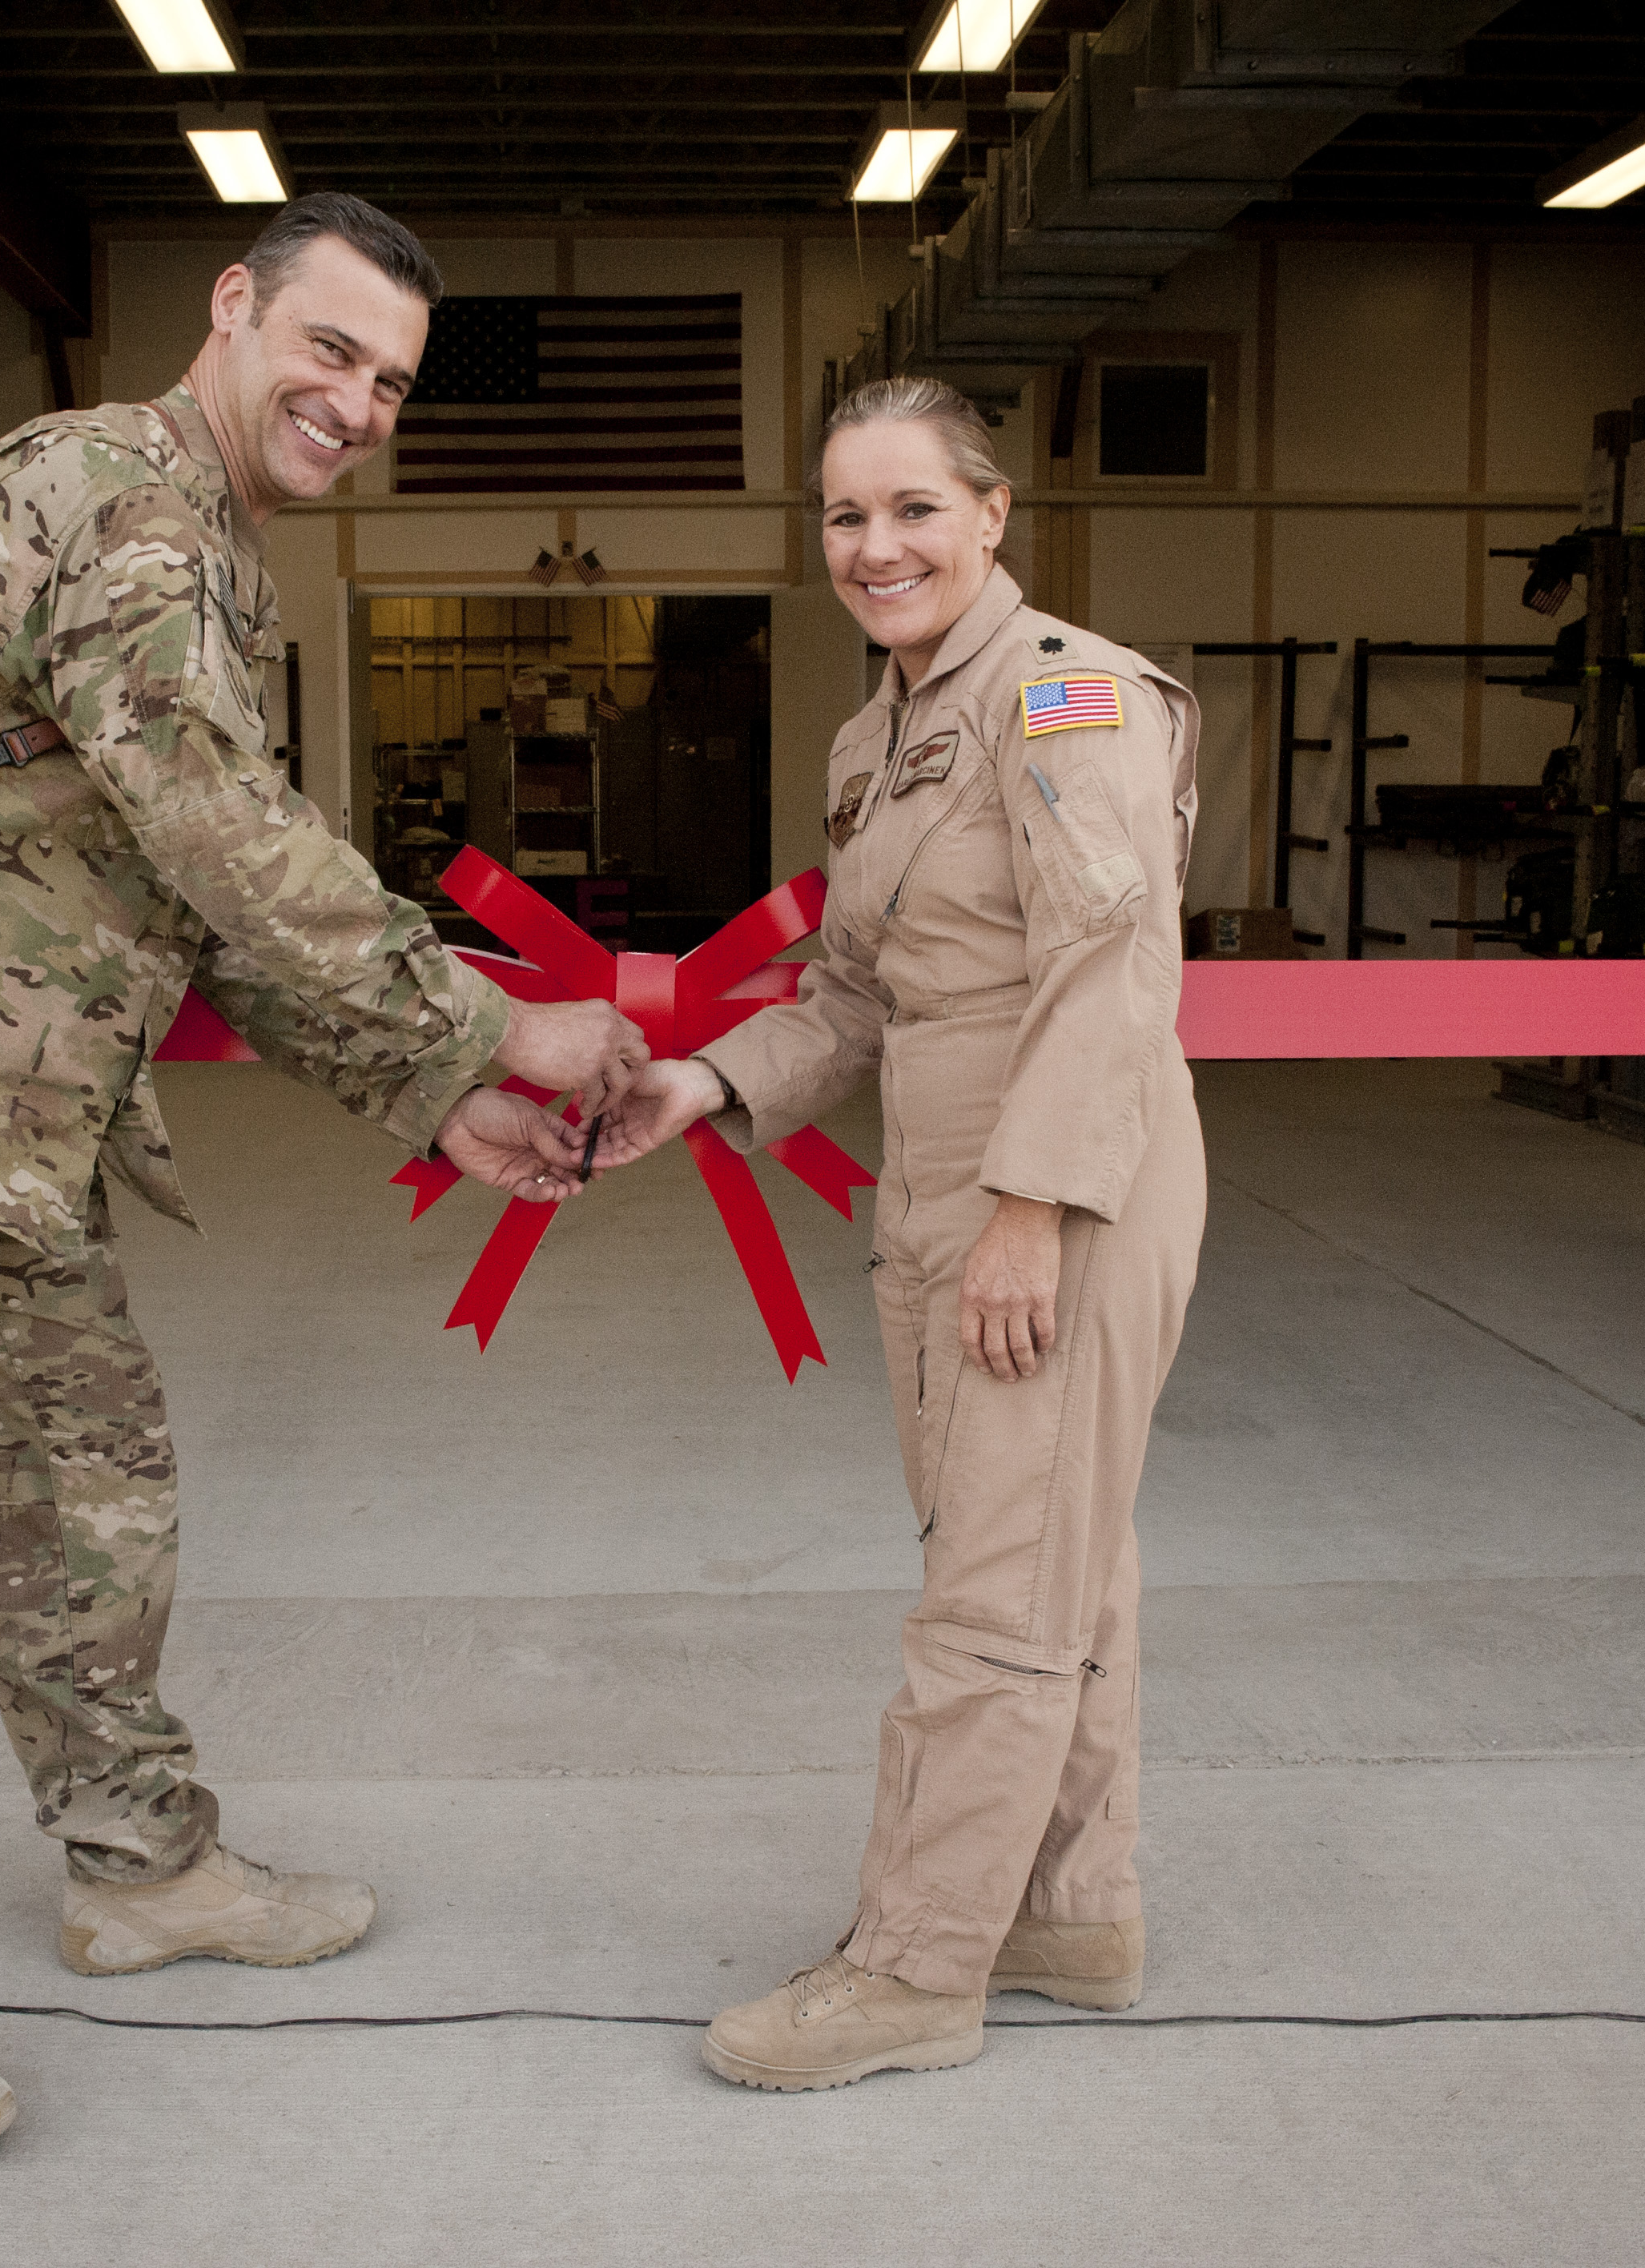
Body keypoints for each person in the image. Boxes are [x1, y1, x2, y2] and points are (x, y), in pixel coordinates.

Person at [0, 191, 630, 2172]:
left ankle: (140, 1869)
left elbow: (184, 890)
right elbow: (218, 823)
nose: (356, 403)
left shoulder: (207, 552)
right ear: (233, 308)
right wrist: (487, 1024)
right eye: (330, 349)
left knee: (80, 1492)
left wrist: (429, 1086)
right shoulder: (120, 502)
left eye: (391, 383)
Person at [588, 376, 1205, 2091]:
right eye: (846, 516)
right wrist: (706, 1085)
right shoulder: (881, 738)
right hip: (945, 1174)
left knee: (995, 1583)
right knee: (1054, 1551)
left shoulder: (1066, 697)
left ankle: (917, 1969)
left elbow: (1109, 967)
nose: (877, 547)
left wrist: (1031, 1212)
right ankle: (1069, 1911)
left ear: (992, 515)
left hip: (1057, 1175)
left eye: (915, 508)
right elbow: (858, 992)